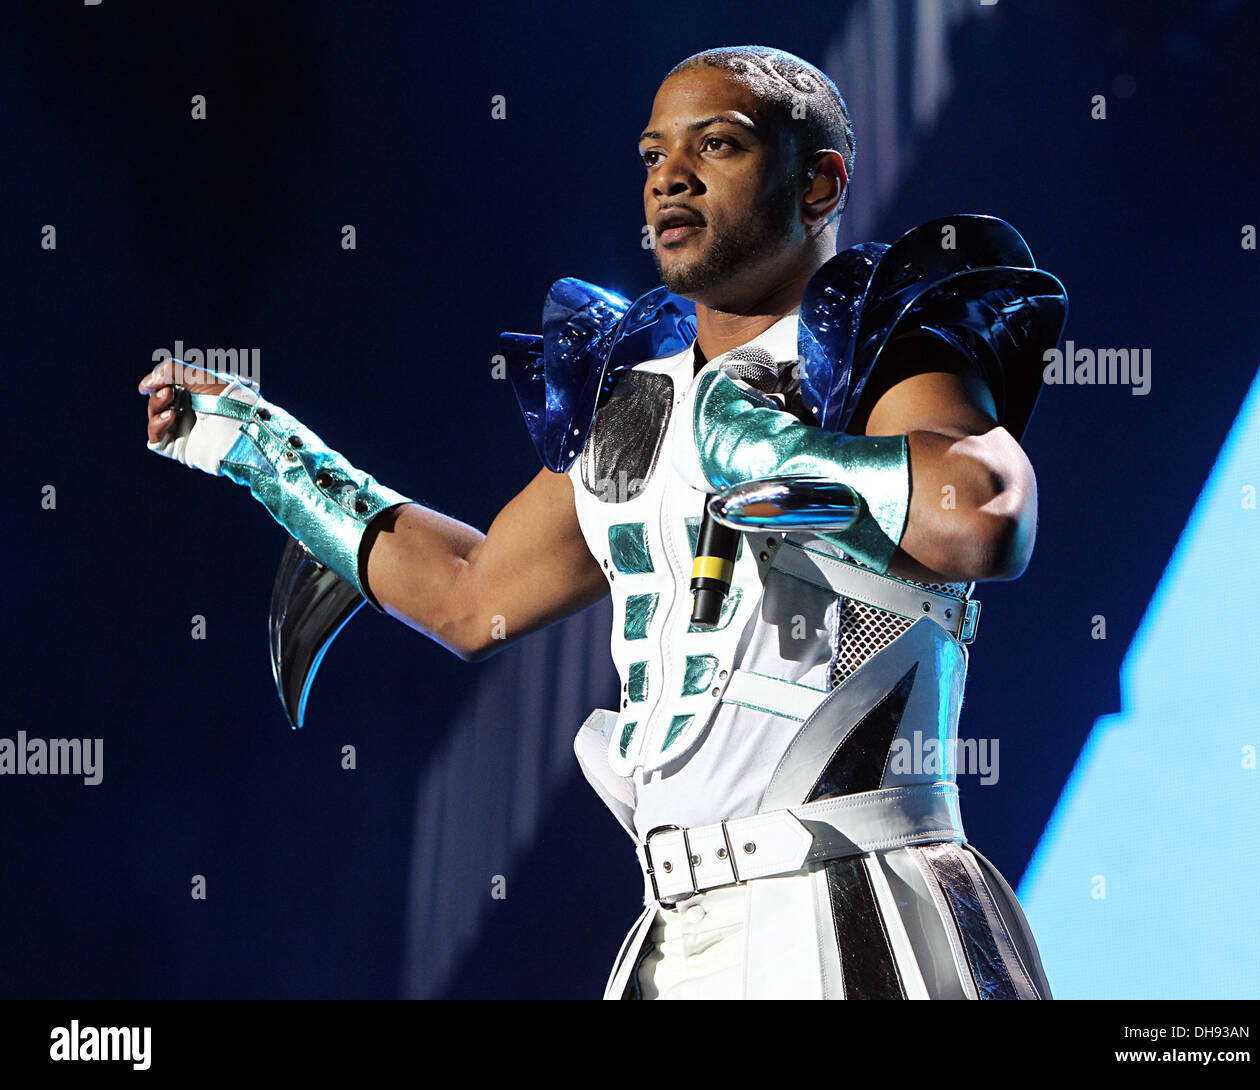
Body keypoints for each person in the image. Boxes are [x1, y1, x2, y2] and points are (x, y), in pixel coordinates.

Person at [139, 45, 1064, 1000]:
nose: (672, 174)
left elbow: (986, 514)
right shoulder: (637, 403)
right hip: (677, 931)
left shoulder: (882, 347)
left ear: (820, 182)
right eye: (654, 152)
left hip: (856, 899)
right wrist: (261, 449)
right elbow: (470, 595)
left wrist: (770, 448)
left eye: (720, 145)